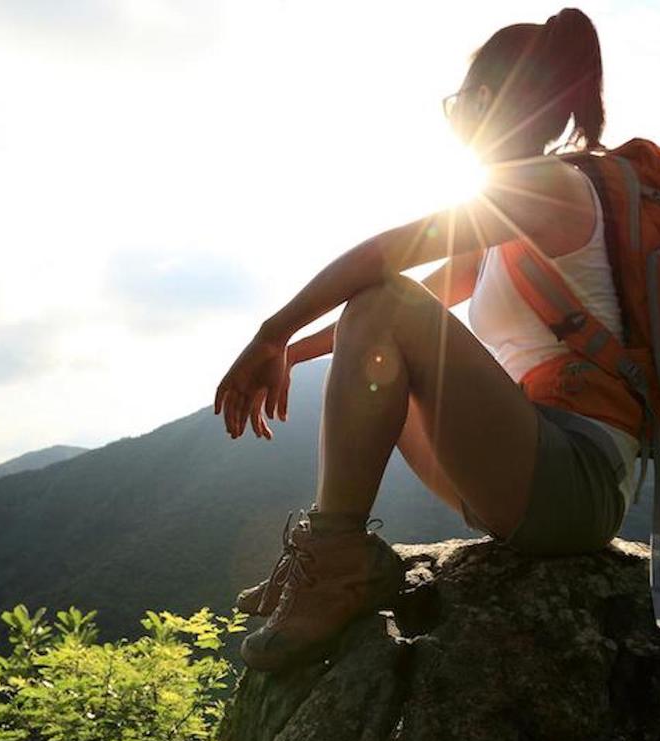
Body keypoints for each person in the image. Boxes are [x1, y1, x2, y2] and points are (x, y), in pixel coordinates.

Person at [213, 8, 637, 672]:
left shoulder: (549, 187)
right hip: (535, 469)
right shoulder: (512, 218)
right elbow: (398, 315)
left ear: (486, 102)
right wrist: (292, 355)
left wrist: (271, 332)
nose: (453, 116)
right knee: (380, 316)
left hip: (575, 480)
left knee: (382, 296)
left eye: (456, 102)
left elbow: (386, 261)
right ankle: (332, 557)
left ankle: (338, 563)